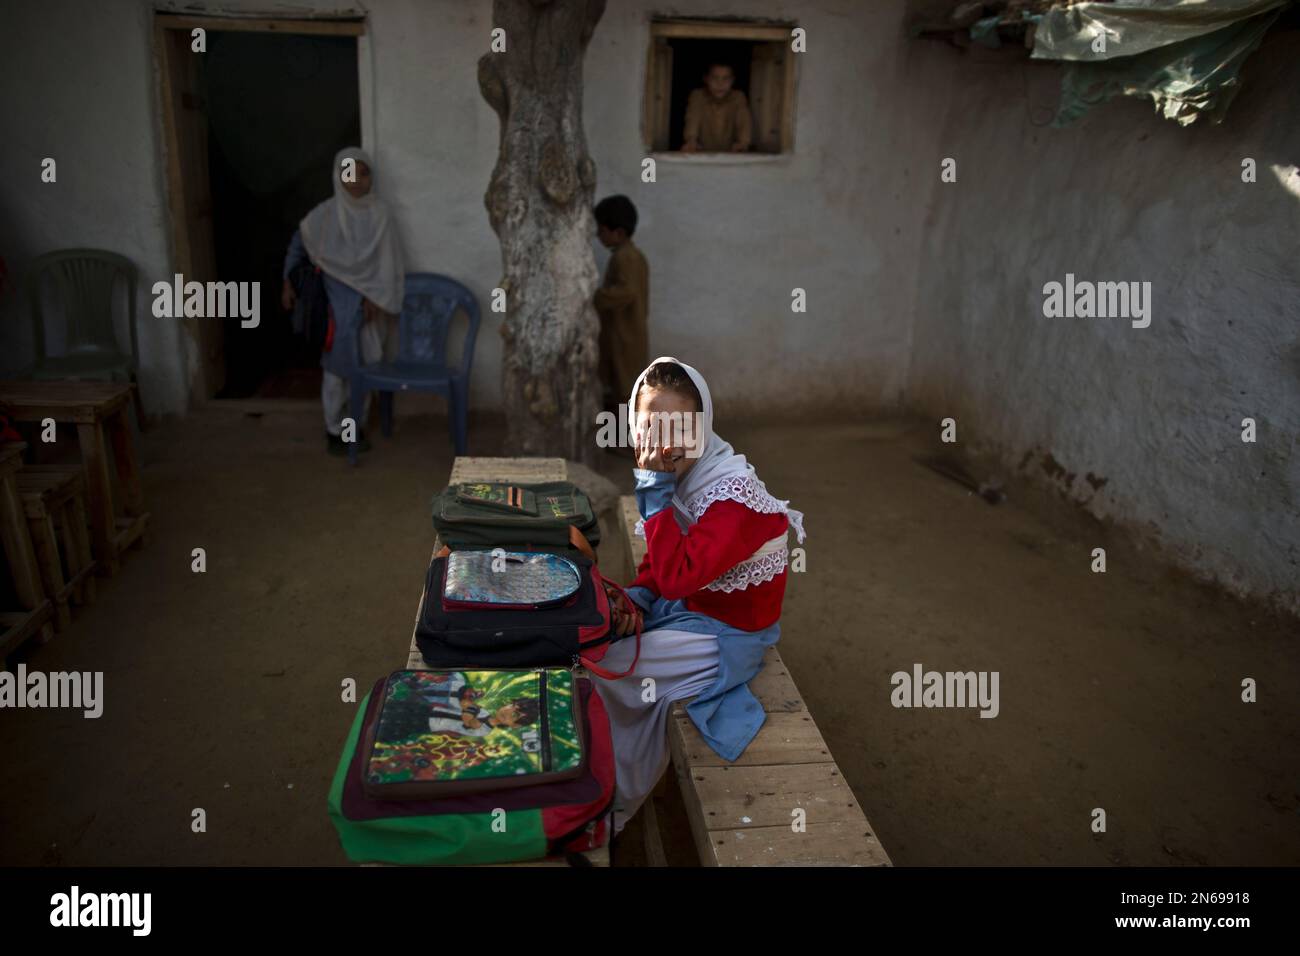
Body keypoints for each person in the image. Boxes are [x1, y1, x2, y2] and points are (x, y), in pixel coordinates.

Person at [592, 357, 806, 835]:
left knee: (611, 670)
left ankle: (607, 800)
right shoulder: (689, 476)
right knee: (602, 638)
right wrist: (638, 595)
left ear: (703, 427)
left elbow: (677, 576)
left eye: (679, 428)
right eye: (651, 427)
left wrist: (653, 490)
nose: (664, 443)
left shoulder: (732, 497)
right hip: (690, 607)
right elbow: (662, 561)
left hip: (729, 635)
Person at [281, 146, 404, 455]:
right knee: (337, 373)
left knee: (363, 368)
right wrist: (287, 282)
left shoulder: (380, 214)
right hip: (335, 309)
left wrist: (375, 295)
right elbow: (298, 245)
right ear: (338, 176)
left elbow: (388, 263)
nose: (357, 180)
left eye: (364, 173)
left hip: (370, 309)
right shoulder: (324, 216)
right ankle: (335, 430)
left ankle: (355, 428)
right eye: (349, 173)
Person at [593, 195, 649, 419]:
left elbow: (627, 292)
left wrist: (594, 298)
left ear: (618, 232)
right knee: (622, 388)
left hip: (624, 337)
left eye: (601, 230)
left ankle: (624, 436)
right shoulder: (632, 255)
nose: (598, 235)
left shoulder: (625, 258)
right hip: (626, 334)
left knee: (624, 390)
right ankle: (620, 433)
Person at [681, 63, 753, 153]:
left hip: (731, 154)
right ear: (706, 79)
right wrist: (691, 140)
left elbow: (743, 122)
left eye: (725, 79)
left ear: (732, 80)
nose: (720, 84)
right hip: (702, 153)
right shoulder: (698, 96)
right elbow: (692, 119)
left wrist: (743, 143)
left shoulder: (738, 98)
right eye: (714, 78)